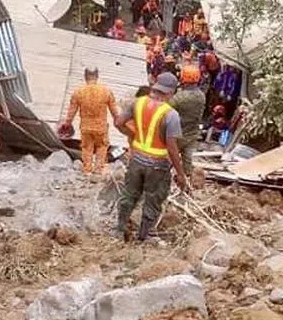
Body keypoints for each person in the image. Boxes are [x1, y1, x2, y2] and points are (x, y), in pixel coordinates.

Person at [115, 72, 189, 242]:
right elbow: (172, 147)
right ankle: (144, 235)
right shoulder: (171, 115)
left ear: (155, 86)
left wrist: (133, 135)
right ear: (170, 93)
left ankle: (119, 229)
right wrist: (180, 173)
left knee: (129, 194)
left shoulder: (137, 103)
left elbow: (119, 123)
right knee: (153, 199)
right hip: (158, 165)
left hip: (136, 159)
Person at [60, 67, 121, 175]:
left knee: (87, 148)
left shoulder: (78, 92)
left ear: (85, 76)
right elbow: (115, 112)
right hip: (101, 127)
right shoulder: (106, 91)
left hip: (86, 127)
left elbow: (71, 112)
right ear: (97, 76)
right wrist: (118, 122)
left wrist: (67, 124)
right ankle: (98, 169)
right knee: (102, 146)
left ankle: (87, 170)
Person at [170, 63, 208, 189]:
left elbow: (166, 109)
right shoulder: (201, 96)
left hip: (177, 135)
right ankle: (186, 188)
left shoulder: (180, 97)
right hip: (192, 134)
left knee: (167, 160)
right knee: (187, 164)